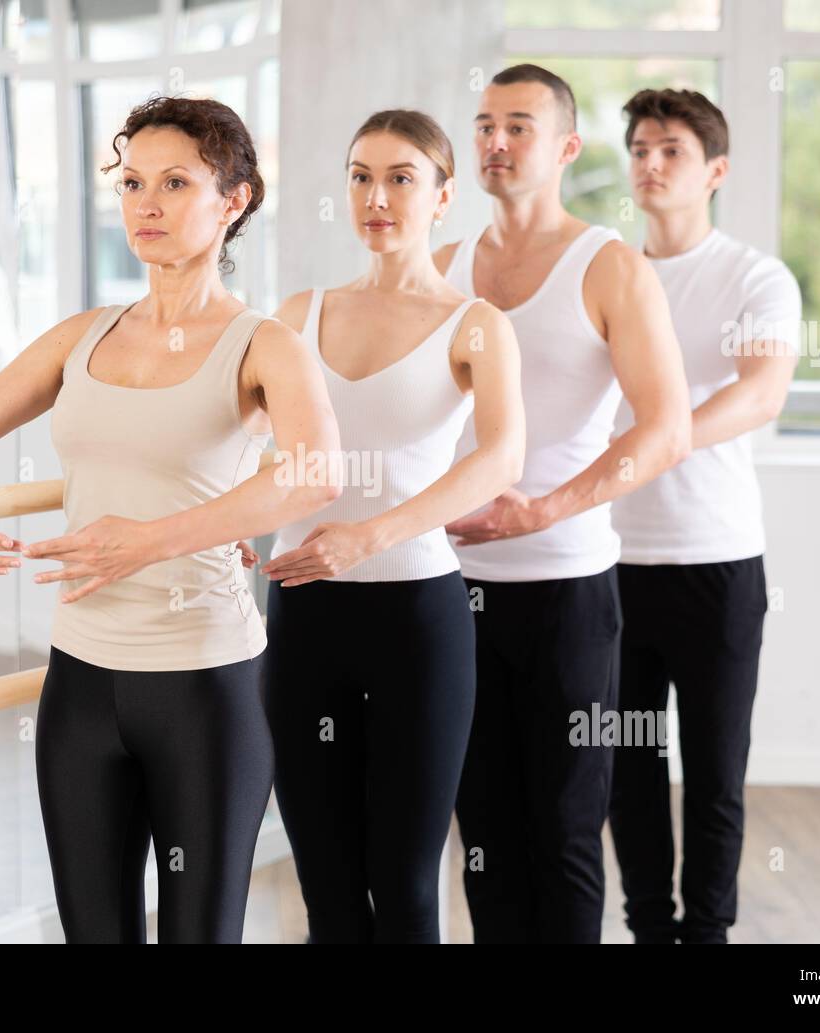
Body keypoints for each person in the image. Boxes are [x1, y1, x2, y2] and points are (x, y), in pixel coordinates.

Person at [0, 95, 341, 943]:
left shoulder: (262, 345)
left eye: (176, 183)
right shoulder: (82, 335)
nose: (147, 203)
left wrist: (152, 539)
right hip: (80, 687)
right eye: (134, 181)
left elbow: (314, 473)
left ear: (235, 200)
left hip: (206, 687)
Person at [432, 63, 692, 943]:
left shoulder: (608, 266)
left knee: (568, 827)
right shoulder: (442, 268)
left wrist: (542, 511)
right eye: (483, 125)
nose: (495, 143)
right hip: (452, 589)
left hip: (568, 593)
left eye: (518, 127)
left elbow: (666, 429)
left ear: (566, 148)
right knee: (485, 835)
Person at [258, 110, 525, 943]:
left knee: (405, 884)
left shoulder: (475, 324)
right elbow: (256, 447)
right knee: (326, 886)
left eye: (401, 178)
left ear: (443, 196)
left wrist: (366, 536)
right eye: (361, 176)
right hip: (303, 611)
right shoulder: (298, 314)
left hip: (418, 618)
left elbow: (500, 460)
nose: (376, 196)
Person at [608, 88, 801, 944]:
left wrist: (658, 437)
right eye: (640, 149)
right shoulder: (607, 272)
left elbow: (761, 393)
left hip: (717, 564)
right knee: (627, 766)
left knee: (716, 768)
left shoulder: (755, 276)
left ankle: (709, 930)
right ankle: (650, 925)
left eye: (672, 151)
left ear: (714, 170)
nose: (651, 164)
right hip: (607, 563)